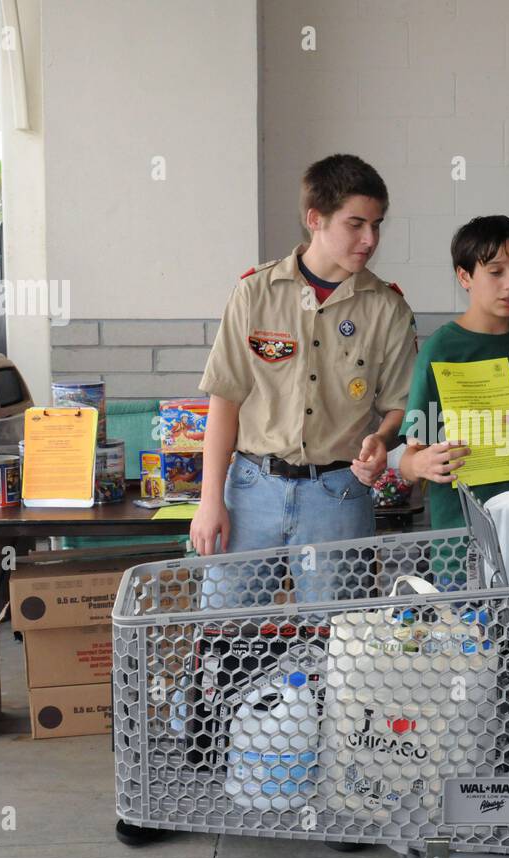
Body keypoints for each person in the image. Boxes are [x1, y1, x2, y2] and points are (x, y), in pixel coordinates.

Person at [191, 154, 416, 579]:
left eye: (378, 224)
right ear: (315, 219)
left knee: (340, 638)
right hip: (251, 490)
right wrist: (209, 501)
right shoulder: (255, 293)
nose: (370, 238)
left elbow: (399, 405)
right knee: (234, 636)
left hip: (339, 496)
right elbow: (225, 401)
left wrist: (383, 441)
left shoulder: (388, 308)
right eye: (356, 224)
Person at [398, 215, 509, 530]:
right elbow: (412, 454)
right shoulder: (441, 349)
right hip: (463, 524)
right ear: (464, 277)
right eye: (495, 272)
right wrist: (420, 463)